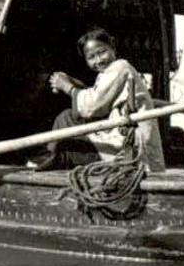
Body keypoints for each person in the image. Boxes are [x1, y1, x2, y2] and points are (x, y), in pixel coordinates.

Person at [32, 27, 165, 173]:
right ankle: (53, 156)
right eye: (91, 57)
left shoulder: (120, 67)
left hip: (132, 149)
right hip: (119, 140)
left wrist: (67, 87)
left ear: (113, 47)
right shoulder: (107, 74)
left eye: (102, 52)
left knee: (66, 119)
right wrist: (73, 83)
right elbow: (97, 96)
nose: (99, 60)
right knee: (69, 118)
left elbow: (92, 106)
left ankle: (53, 156)